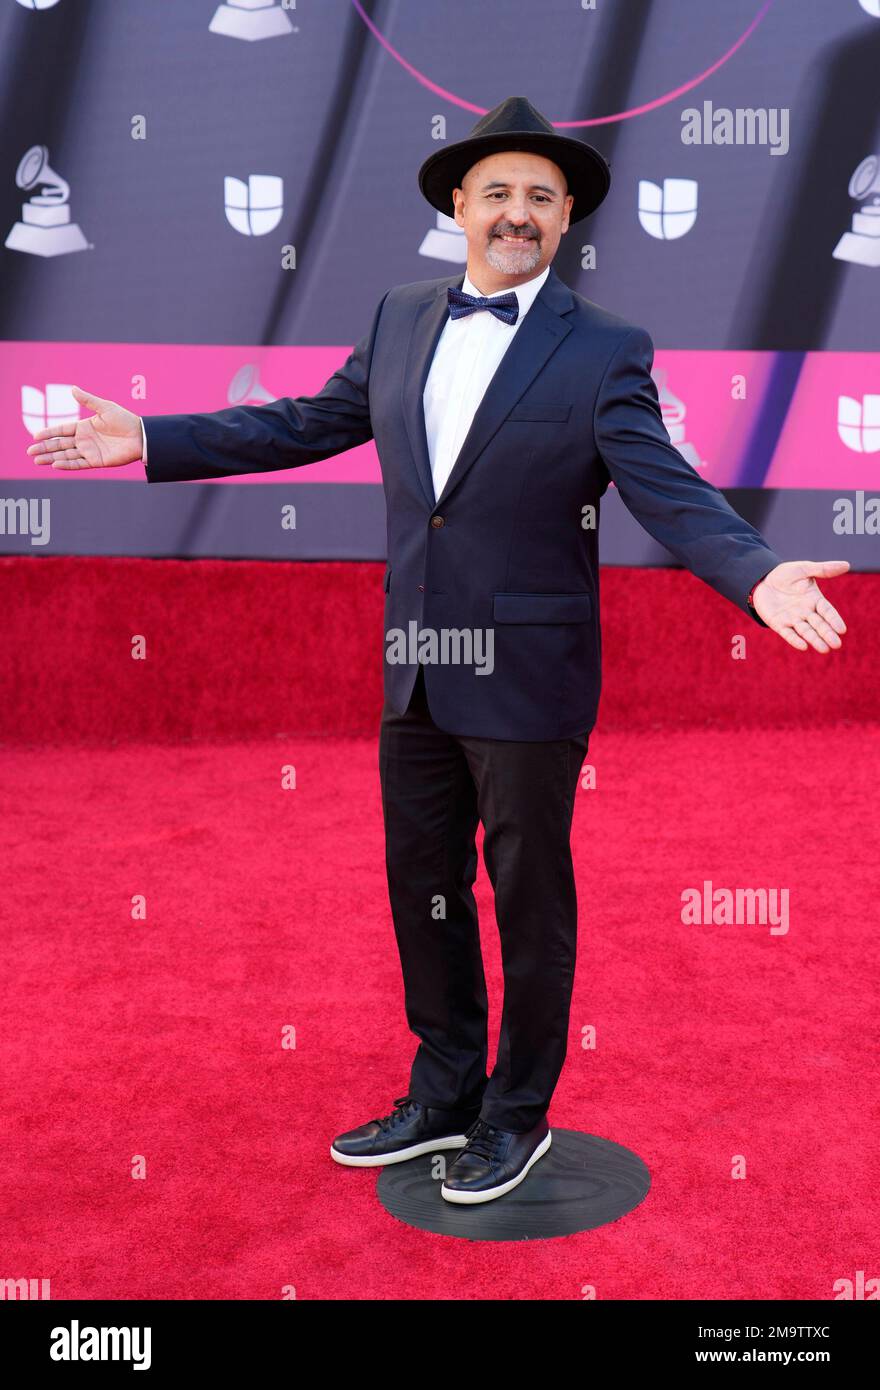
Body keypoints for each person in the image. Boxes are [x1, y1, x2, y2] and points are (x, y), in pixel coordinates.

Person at [28, 96, 848, 1206]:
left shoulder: (607, 349)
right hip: (414, 662)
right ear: (459, 207)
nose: (517, 213)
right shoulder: (403, 314)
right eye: (498, 193)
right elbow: (303, 424)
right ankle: (444, 1087)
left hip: (529, 677)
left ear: (565, 225)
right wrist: (149, 436)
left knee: (526, 897)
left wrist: (754, 568)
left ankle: (517, 1114)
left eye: (540, 199)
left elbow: (668, 487)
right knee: (422, 884)